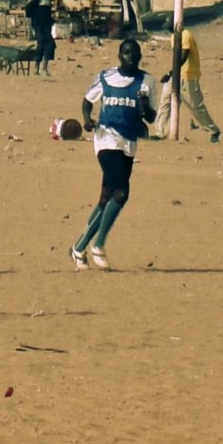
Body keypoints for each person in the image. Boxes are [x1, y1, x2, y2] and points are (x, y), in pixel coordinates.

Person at [72, 36, 156, 271]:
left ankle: (78, 249)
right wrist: (87, 120)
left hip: (128, 143)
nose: (132, 57)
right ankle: (95, 245)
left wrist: (143, 106)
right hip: (106, 139)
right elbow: (87, 101)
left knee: (106, 196)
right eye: (127, 53)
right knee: (121, 193)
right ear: (120, 56)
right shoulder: (105, 77)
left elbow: (151, 117)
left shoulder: (147, 81)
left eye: (135, 53)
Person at [23, 0, 56, 75]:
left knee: (50, 45)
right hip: (38, 25)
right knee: (41, 44)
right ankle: (37, 68)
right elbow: (29, 9)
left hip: (45, 26)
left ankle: (44, 67)